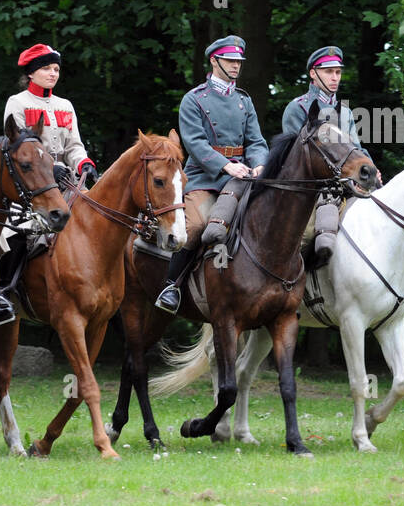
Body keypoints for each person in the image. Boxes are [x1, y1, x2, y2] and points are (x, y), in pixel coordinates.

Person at [153, 35, 268, 313]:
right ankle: (171, 286)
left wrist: (260, 163)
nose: (236, 66)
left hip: (242, 177)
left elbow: (255, 141)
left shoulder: (244, 101)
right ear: (214, 60)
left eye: (239, 61)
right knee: (193, 228)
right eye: (230, 60)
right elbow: (194, 142)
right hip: (205, 177)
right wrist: (226, 165)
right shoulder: (194, 99)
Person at [0, 43, 98, 325]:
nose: (53, 74)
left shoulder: (65, 105)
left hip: (67, 182)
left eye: (56, 69)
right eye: (46, 69)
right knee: (16, 230)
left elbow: (74, 145)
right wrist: (55, 167)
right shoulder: (17, 102)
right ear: (31, 73)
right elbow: (20, 147)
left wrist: (83, 162)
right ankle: (3, 290)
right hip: (31, 184)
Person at [281, 45, 376, 265]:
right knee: (304, 237)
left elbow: (356, 148)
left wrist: (370, 167)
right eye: (328, 71)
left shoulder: (346, 112)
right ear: (313, 74)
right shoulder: (297, 108)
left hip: (345, 186)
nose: (335, 77)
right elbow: (293, 160)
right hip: (310, 190)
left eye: (338, 72)